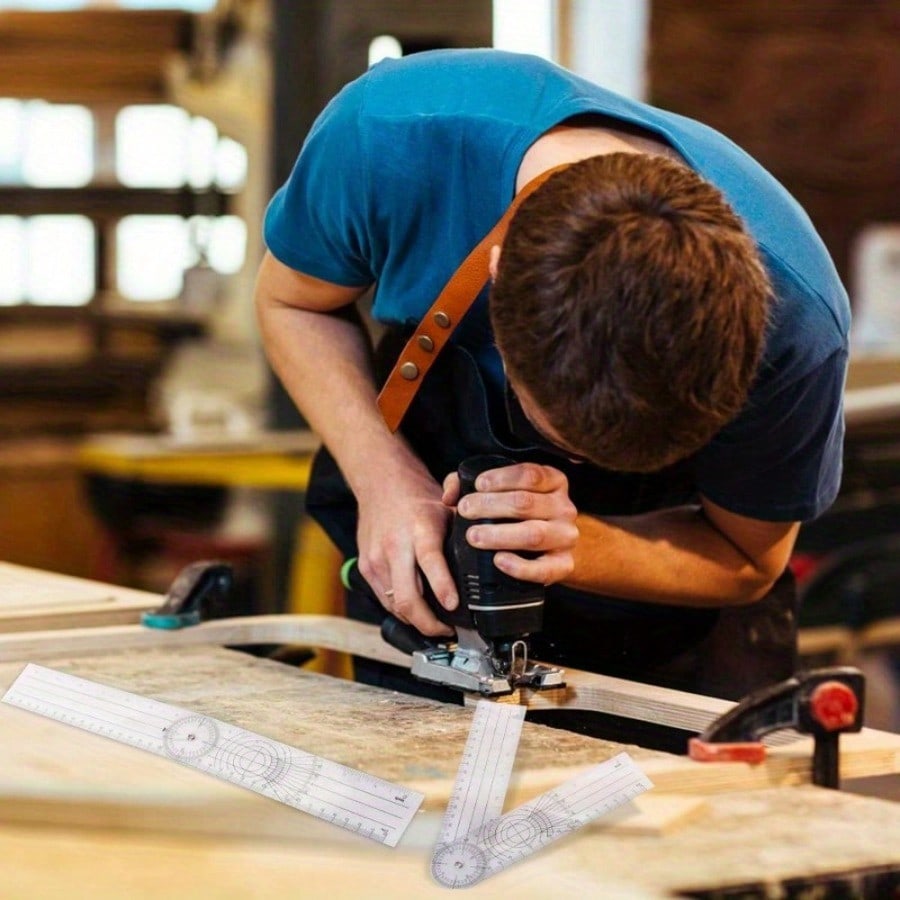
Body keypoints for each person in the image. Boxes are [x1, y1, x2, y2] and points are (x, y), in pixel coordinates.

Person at [255, 49, 849, 713]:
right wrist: (383, 478)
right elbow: (293, 304)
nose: (571, 465)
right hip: (432, 573)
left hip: (675, 633)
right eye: (558, 434)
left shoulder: (798, 330)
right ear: (498, 275)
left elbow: (750, 558)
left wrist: (577, 545)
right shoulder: (391, 138)